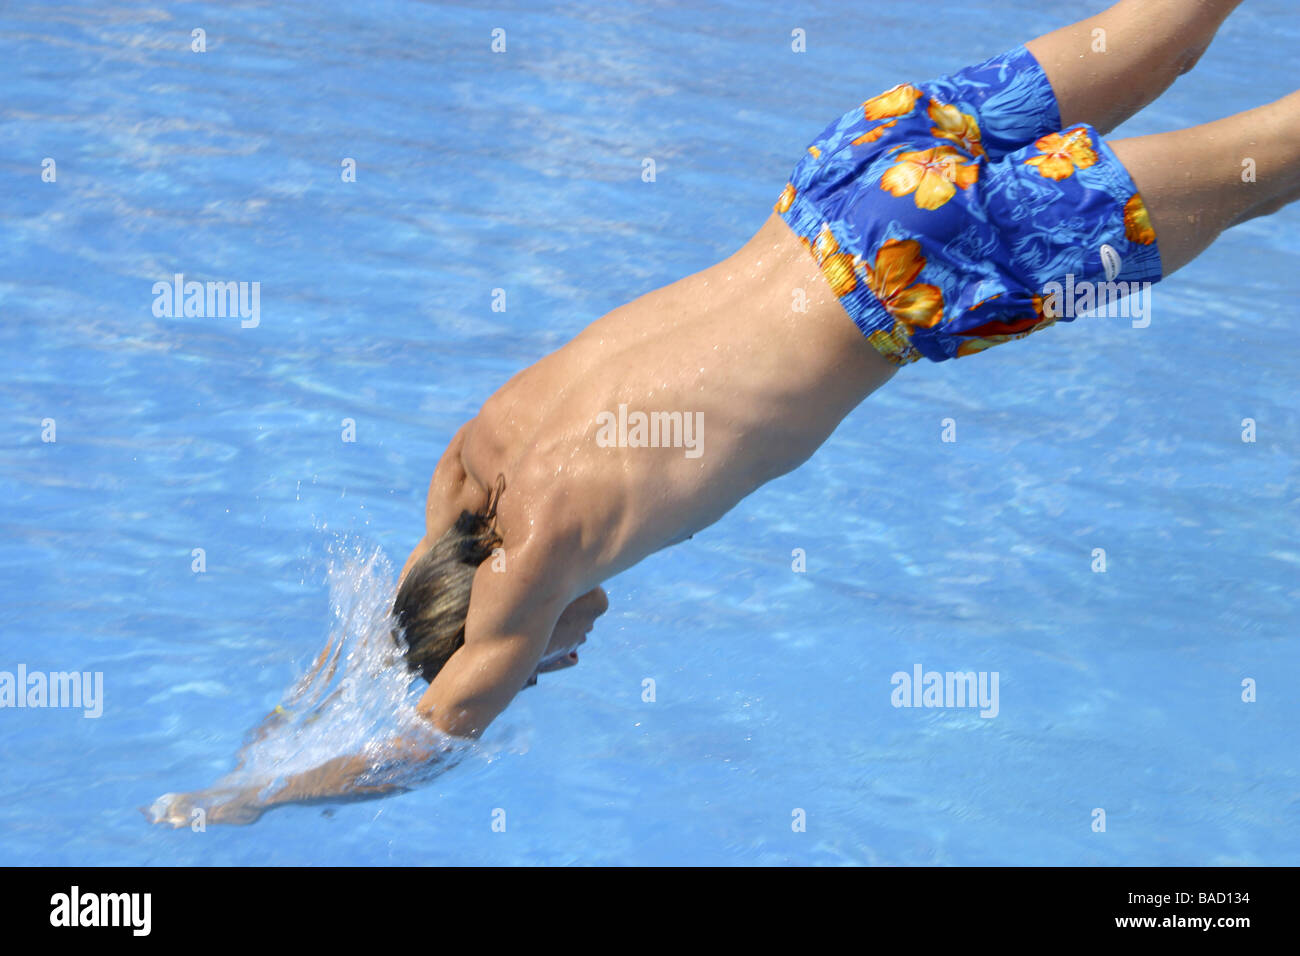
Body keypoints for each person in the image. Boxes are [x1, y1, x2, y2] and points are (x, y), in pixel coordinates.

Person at [152, 0, 1296, 825]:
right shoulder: (467, 460)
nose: (573, 645)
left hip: (917, 269)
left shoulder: (536, 573)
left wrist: (251, 802)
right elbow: (378, 624)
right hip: (850, 170)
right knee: (1176, 19)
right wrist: (262, 733)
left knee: (1272, 161)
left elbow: (425, 738)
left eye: (547, 655)